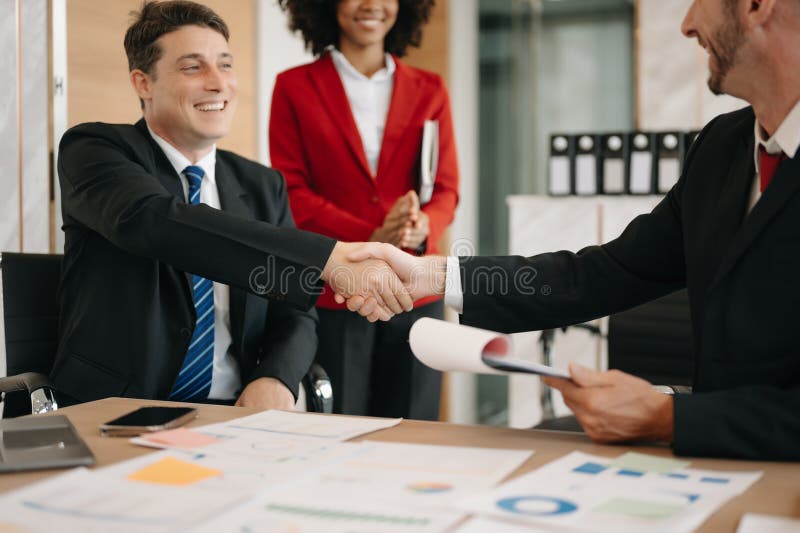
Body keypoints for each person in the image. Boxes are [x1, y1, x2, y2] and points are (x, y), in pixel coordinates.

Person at [347, 0, 800, 460]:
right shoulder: (722, 147)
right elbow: (602, 274)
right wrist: (435, 276)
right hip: (713, 478)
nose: (687, 25)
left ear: (756, 6)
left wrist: (669, 418)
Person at [53, 0, 412, 410]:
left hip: (233, 413)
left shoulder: (261, 185)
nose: (218, 83)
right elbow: (157, 223)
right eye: (193, 67)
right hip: (117, 410)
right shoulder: (94, 149)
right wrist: (327, 258)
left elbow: (295, 314)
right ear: (143, 83)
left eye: (225, 65)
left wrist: (275, 377)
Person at [270, 0, 459, 419]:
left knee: (414, 427)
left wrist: (420, 225)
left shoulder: (430, 89)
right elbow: (291, 192)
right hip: (337, 286)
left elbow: (446, 188)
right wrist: (372, 236)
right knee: (341, 426)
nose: (372, 4)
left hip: (416, 283)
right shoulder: (294, 86)